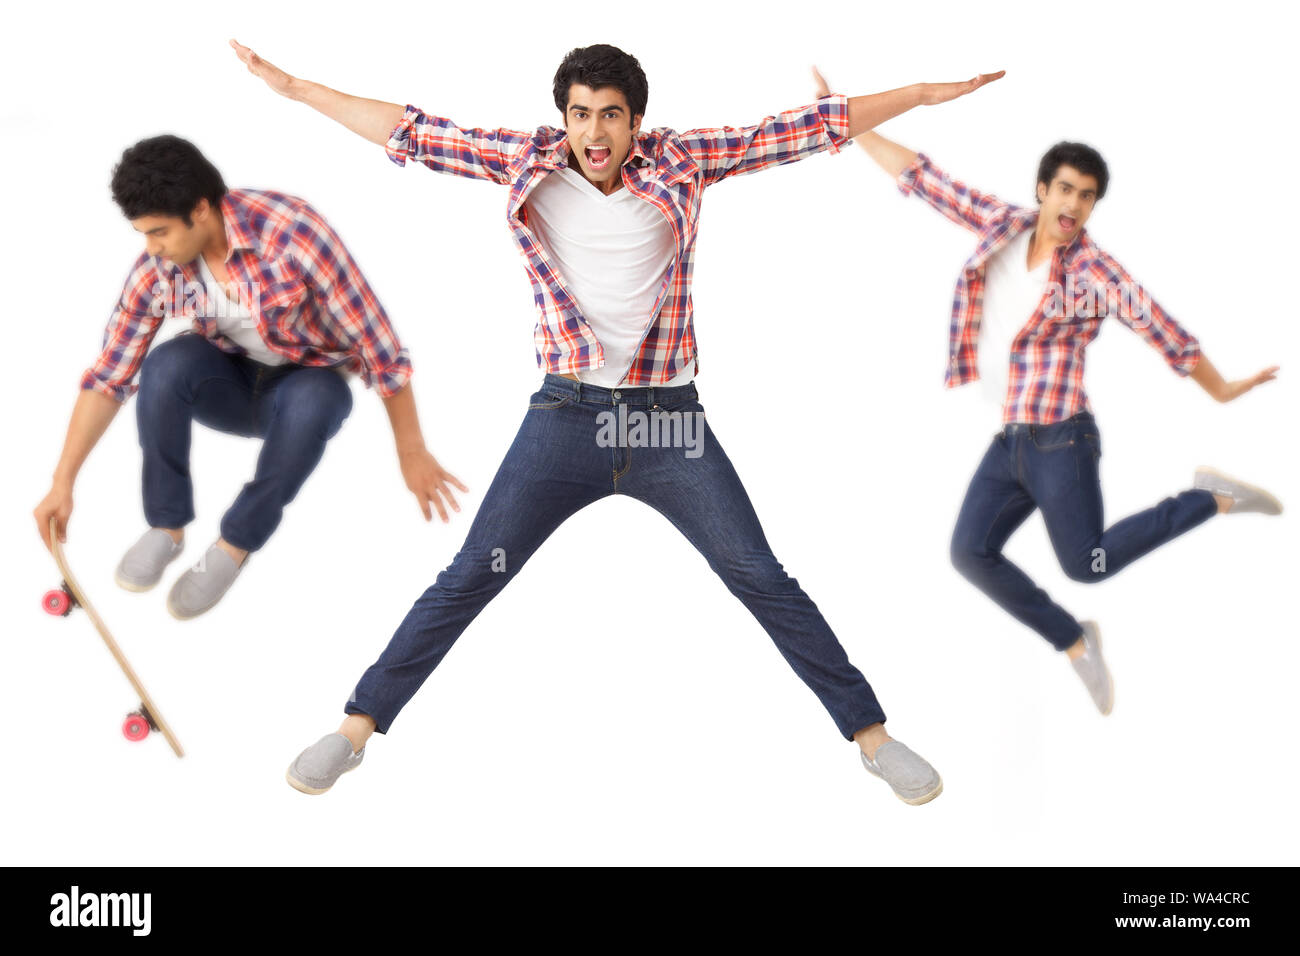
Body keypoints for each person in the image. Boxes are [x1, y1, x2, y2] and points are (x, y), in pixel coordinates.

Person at [232, 39, 1003, 803]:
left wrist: (925, 92)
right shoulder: (526, 161)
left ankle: (873, 737)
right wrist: (298, 87)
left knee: (758, 575)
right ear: (562, 117)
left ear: (636, 121)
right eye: (579, 115)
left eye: (609, 116)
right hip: (566, 418)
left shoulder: (684, 160)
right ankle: (356, 728)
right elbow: (410, 130)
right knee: (474, 572)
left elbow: (807, 127)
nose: (593, 133)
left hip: (667, 425)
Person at [820, 66, 1282, 713]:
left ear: (1092, 206)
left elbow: (1161, 328)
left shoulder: (1093, 271)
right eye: (1065, 189)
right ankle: (1073, 641)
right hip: (1009, 440)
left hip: (1062, 438)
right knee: (969, 553)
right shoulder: (1002, 225)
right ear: (1043, 190)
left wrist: (1225, 390)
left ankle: (1208, 499)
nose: (1073, 205)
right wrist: (844, 120)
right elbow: (920, 177)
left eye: (1086, 196)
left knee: (1087, 564)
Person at [33, 135, 464, 619]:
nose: (151, 247)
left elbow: (379, 346)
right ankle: (166, 528)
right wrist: (62, 483)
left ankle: (232, 546)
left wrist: (411, 450)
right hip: (229, 383)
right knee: (165, 364)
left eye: (159, 232)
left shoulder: (293, 233)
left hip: (305, 386)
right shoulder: (158, 268)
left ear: (200, 210)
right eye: (144, 235)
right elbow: (109, 376)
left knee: (313, 400)